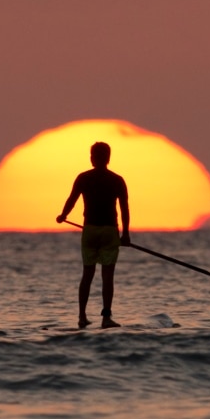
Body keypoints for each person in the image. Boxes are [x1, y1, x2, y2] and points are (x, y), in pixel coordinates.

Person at [56, 141, 131, 329]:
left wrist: (63, 216)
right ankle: (106, 318)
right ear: (108, 158)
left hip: (89, 231)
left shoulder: (83, 178)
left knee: (87, 274)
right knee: (107, 276)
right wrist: (126, 234)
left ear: (92, 158)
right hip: (109, 231)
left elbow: (71, 200)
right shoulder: (117, 180)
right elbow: (124, 210)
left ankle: (82, 317)